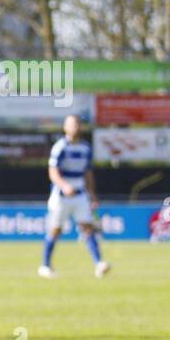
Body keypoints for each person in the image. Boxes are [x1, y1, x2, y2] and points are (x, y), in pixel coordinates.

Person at [39, 114, 109, 278]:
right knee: (55, 229)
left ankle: (99, 264)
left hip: (80, 194)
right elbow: (53, 172)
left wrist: (92, 194)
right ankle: (45, 265)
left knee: (87, 227)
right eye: (72, 124)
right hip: (62, 195)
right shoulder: (60, 147)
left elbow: (88, 173)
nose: (75, 127)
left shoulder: (85, 148)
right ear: (65, 127)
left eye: (77, 124)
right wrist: (64, 185)